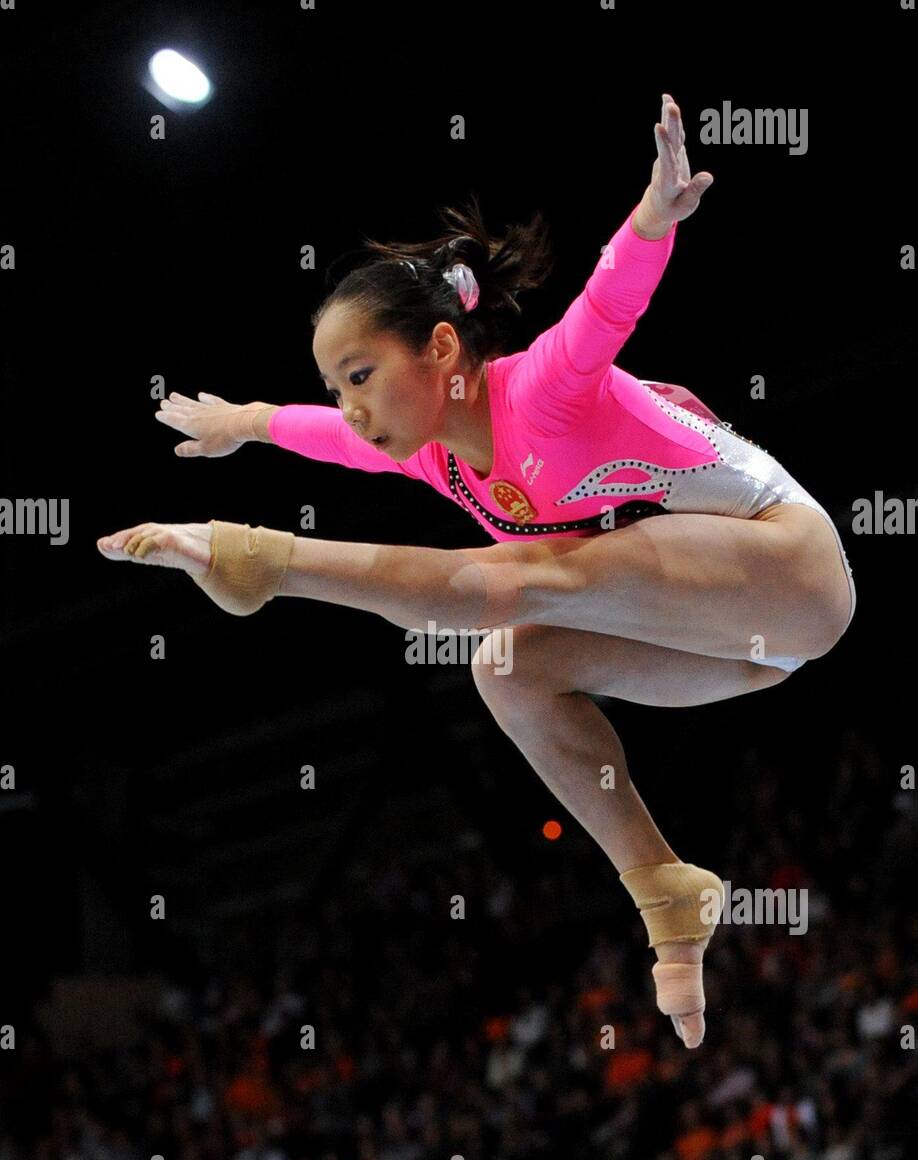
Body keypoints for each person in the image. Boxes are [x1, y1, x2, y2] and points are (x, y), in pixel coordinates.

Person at [97, 95, 856, 1049]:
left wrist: (654, 215)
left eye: (362, 375)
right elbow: (324, 437)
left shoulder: (542, 392)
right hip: (742, 653)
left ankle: (264, 562)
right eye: (338, 385)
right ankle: (663, 887)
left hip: (793, 571)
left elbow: (604, 307)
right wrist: (245, 421)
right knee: (504, 664)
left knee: (531, 574)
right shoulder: (428, 450)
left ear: (442, 347)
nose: (351, 407)